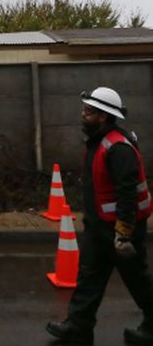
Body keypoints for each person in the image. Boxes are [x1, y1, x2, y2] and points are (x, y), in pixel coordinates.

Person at [46, 87, 153, 344]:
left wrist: (124, 234)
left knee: (137, 280)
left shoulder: (118, 148)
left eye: (88, 111)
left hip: (120, 230)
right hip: (98, 229)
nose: (83, 114)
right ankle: (79, 326)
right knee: (89, 278)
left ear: (103, 116)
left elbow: (127, 193)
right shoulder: (99, 142)